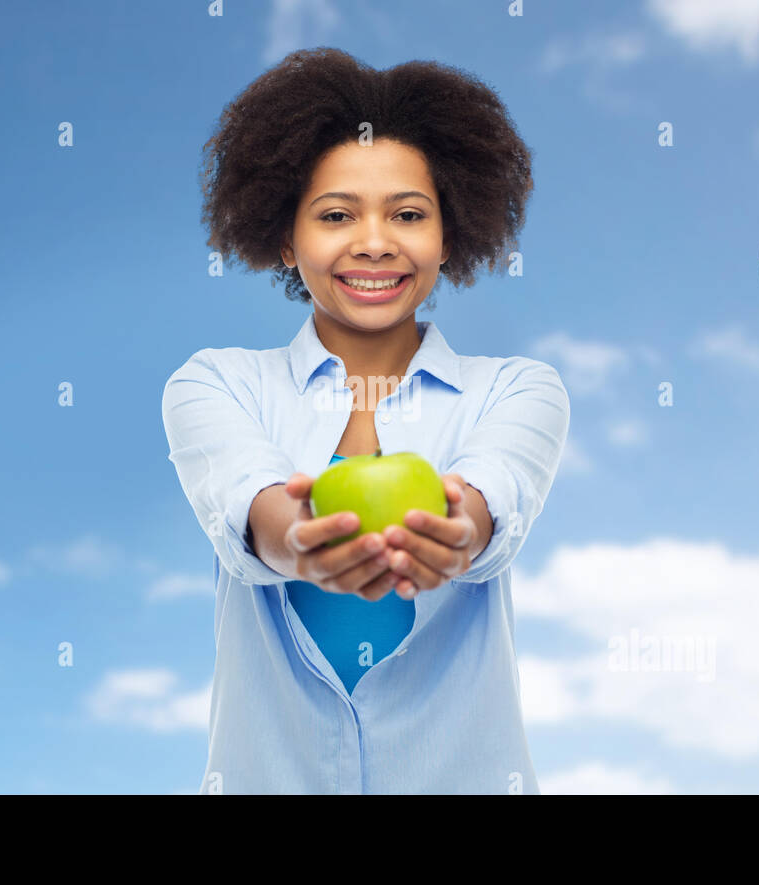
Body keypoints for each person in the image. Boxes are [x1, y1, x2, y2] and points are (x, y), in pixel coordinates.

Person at [162, 48, 569, 794]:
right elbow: (250, 505)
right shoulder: (216, 383)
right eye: (336, 214)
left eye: (408, 214)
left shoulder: (517, 390)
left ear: (449, 235)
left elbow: (493, 496)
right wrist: (305, 548)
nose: (374, 240)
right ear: (286, 238)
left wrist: (456, 531)